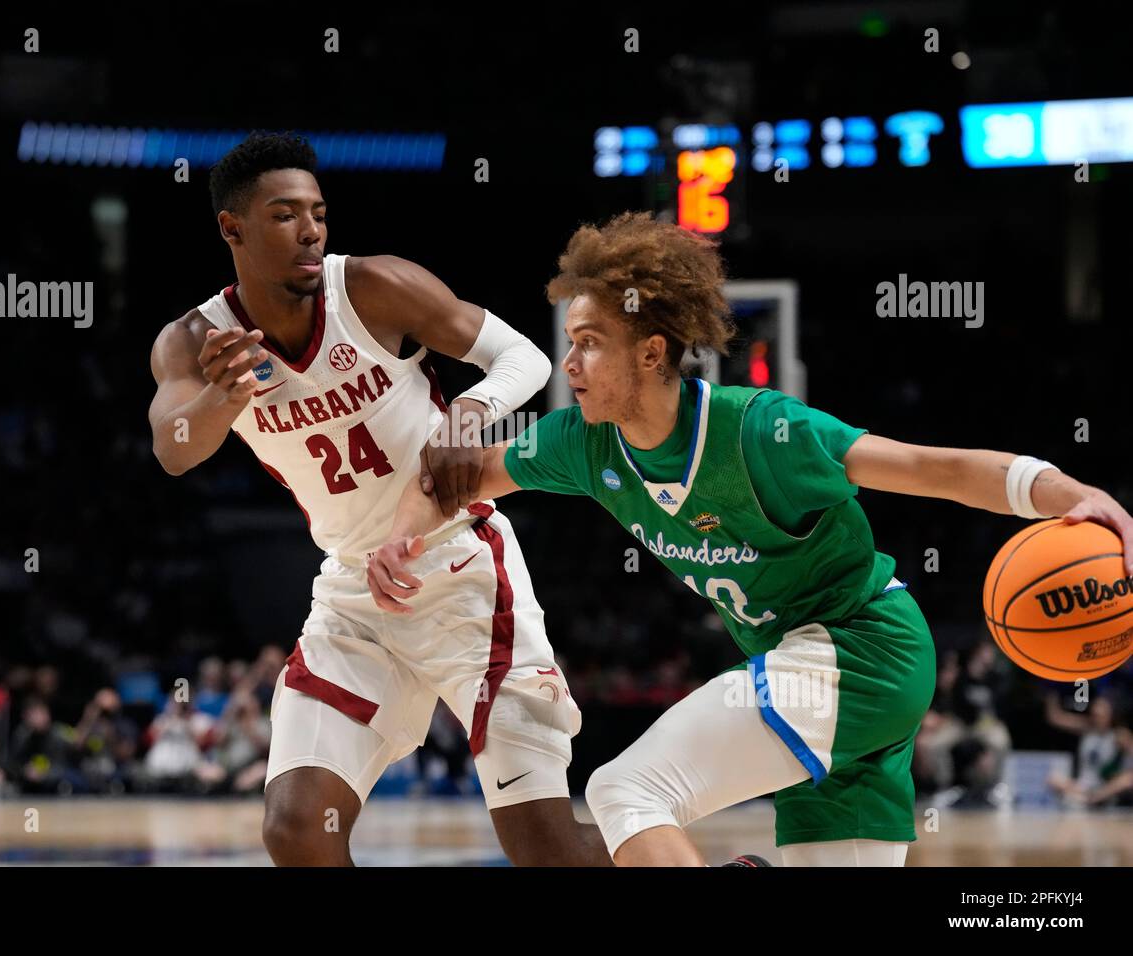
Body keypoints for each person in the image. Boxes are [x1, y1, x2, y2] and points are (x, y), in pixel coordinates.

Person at [368, 211, 1133, 866]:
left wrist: (1073, 493)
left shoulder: (765, 432)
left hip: (858, 650)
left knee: (625, 788)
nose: (570, 364)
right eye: (570, 343)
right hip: (826, 682)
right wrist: (399, 541)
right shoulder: (585, 445)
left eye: (591, 341)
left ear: (652, 352)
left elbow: (937, 469)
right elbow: (456, 482)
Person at [148, 132, 608, 865]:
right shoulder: (194, 341)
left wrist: (466, 413)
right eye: (284, 214)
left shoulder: (370, 285)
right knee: (295, 829)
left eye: (319, 213)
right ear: (231, 228)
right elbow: (174, 447)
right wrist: (221, 394)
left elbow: (524, 354)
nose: (310, 230)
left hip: (461, 568)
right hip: (355, 594)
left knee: (544, 846)